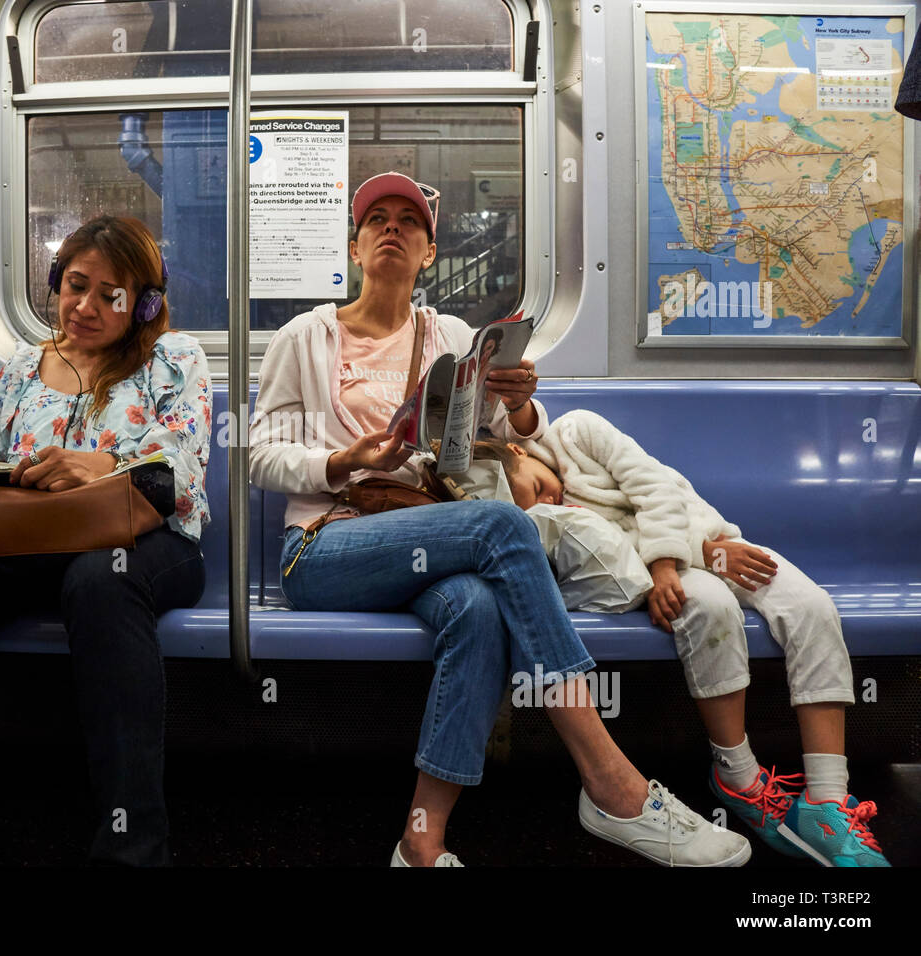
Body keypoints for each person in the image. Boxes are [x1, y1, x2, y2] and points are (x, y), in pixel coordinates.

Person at [250, 172, 751, 867]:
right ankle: (611, 782)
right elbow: (261, 457)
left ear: (428, 253)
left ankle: (420, 841)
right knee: (501, 527)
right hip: (326, 548)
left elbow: (494, 433)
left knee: (480, 609)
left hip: (425, 532)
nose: (392, 228)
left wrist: (516, 404)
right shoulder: (304, 337)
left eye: (410, 222)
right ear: (355, 247)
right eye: (377, 220)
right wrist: (342, 461)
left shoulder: (448, 334)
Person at [0, 216, 211, 867]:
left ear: (142, 303)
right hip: (33, 535)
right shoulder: (28, 363)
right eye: (75, 285)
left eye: (110, 294)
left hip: (145, 538)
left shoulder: (177, 357)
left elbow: (181, 473)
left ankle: (131, 843)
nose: (85, 306)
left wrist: (98, 466)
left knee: (101, 579)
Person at [474, 410, 890, 866]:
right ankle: (740, 778)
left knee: (812, 608)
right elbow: (608, 572)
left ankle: (828, 802)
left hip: (709, 545)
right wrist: (682, 562)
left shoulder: (577, 430)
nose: (544, 503)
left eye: (536, 490)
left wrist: (685, 556)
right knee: (711, 608)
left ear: (518, 451)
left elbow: (655, 486)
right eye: (530, 509)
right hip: (672, 569)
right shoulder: (541, 520)